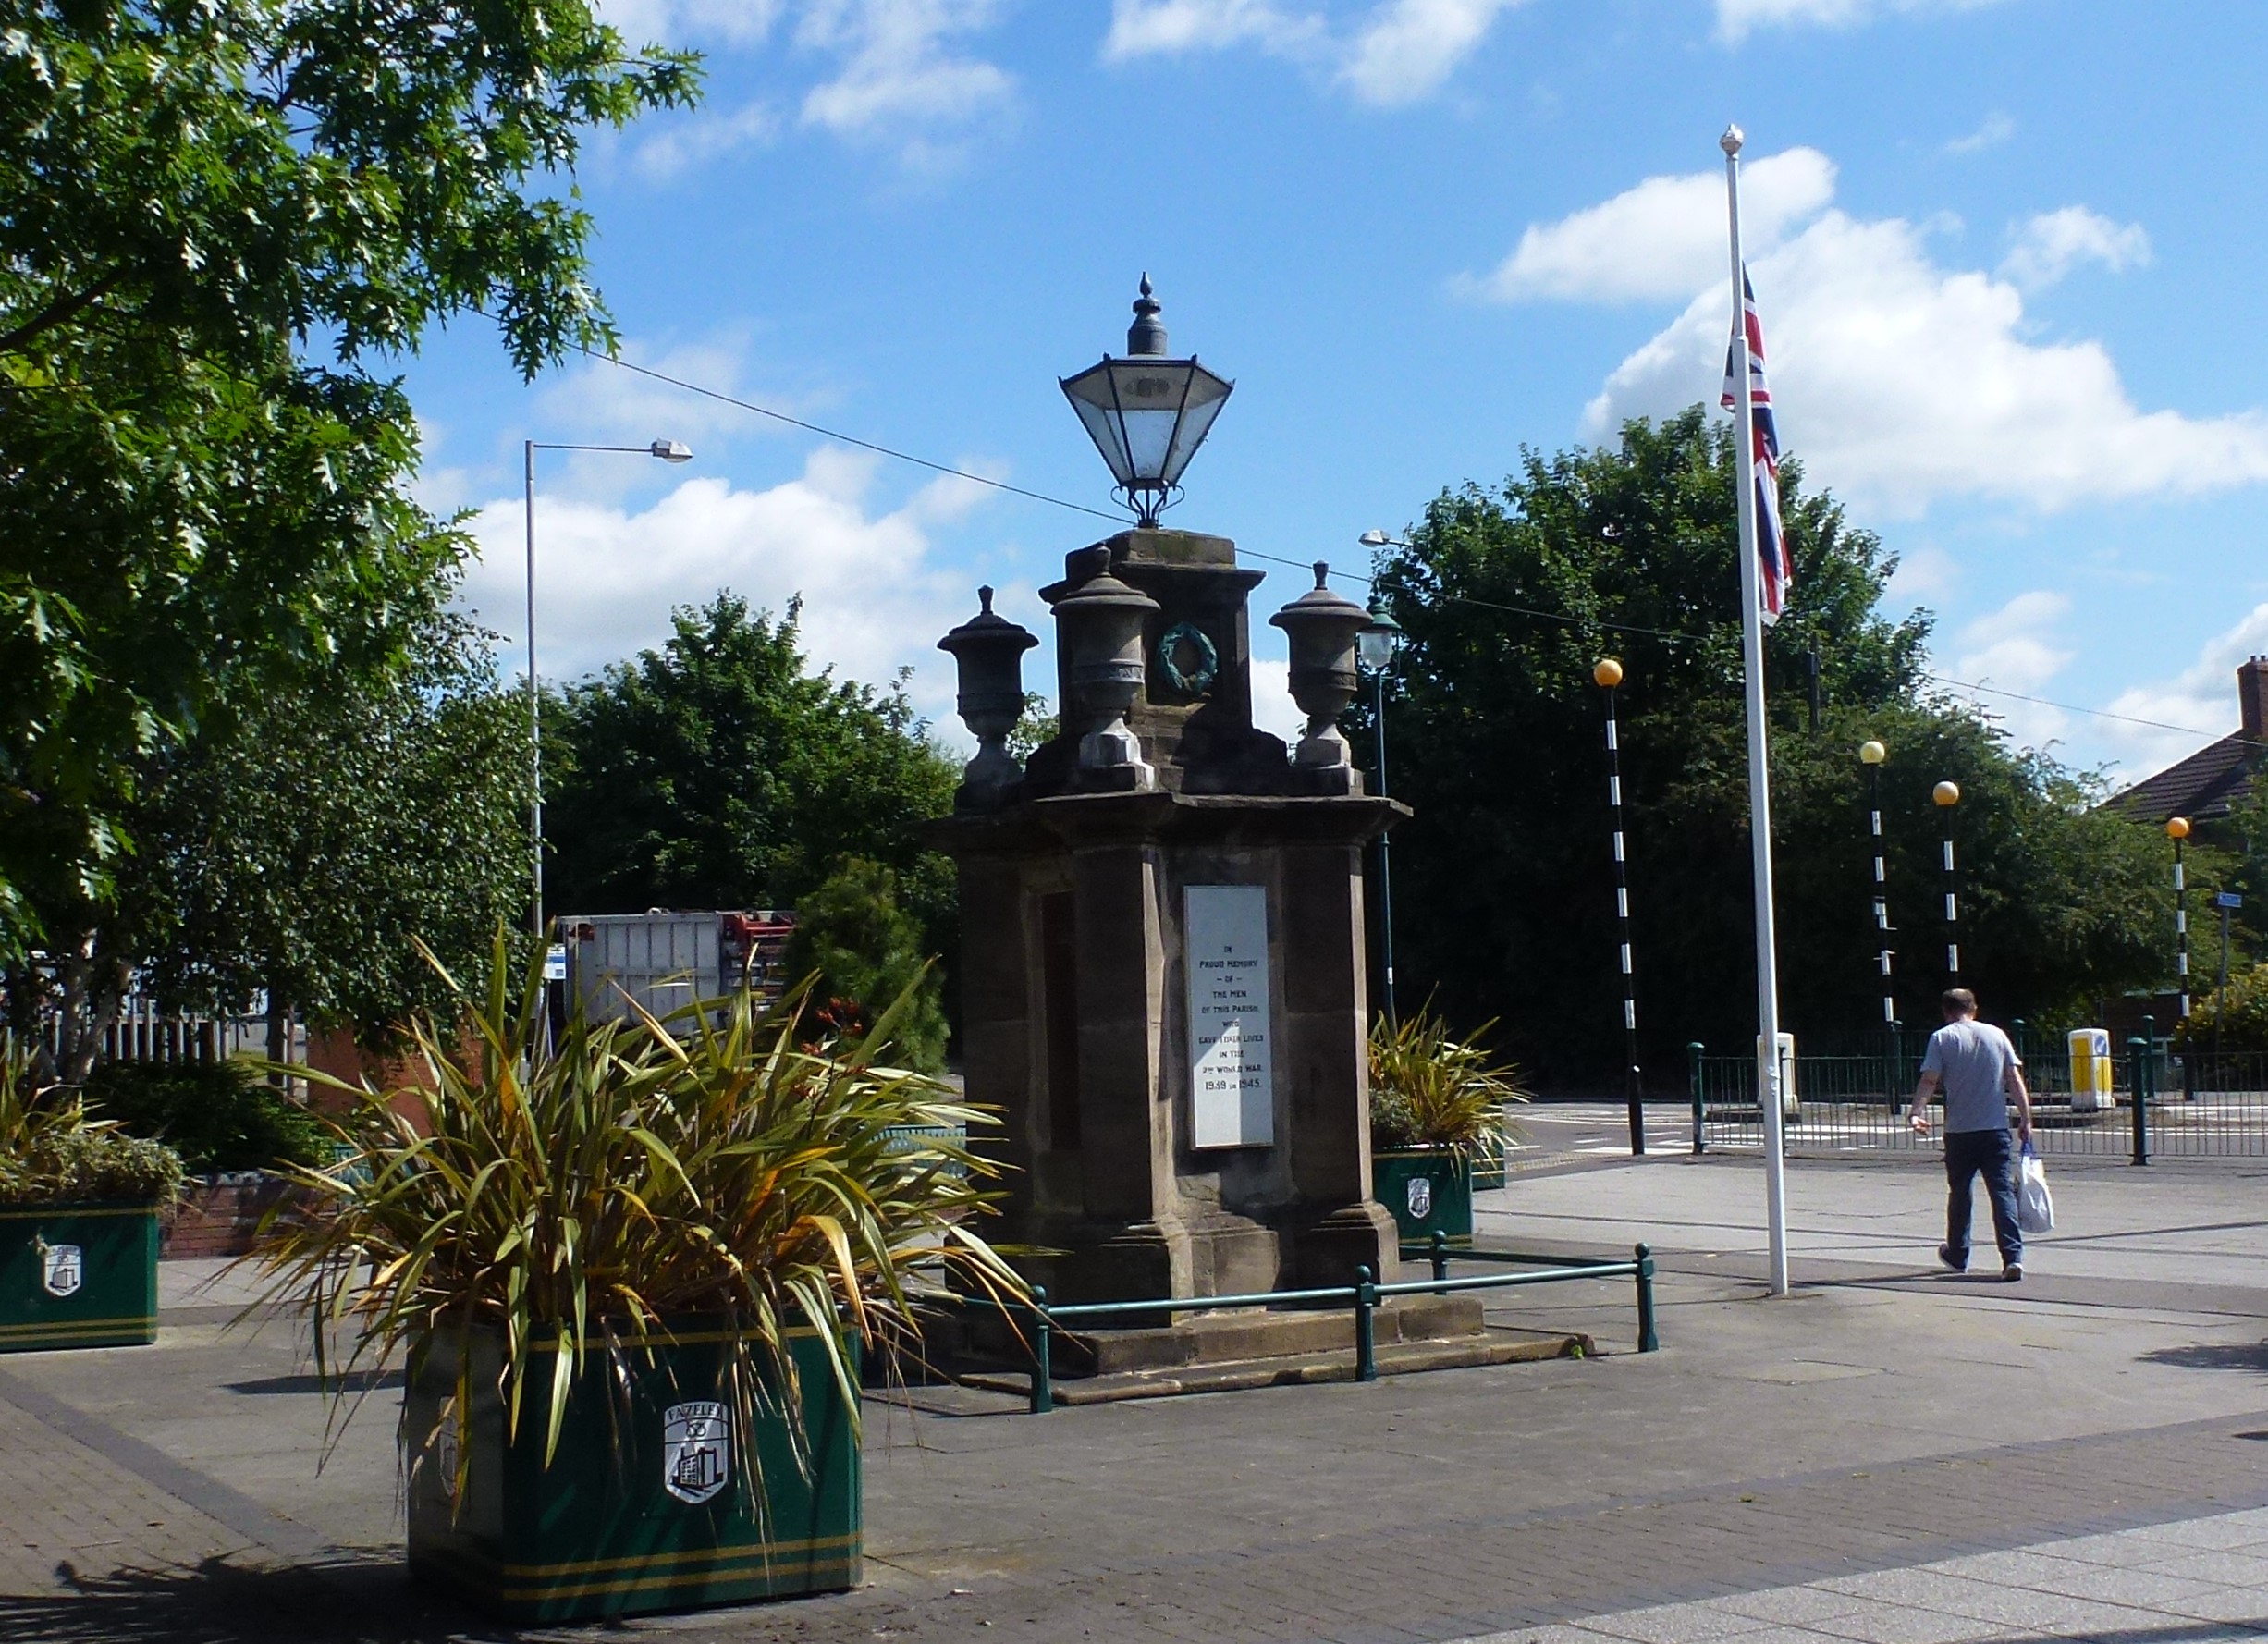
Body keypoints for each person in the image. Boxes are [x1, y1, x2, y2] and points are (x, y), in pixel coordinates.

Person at [1908, 988, 2033, 1281]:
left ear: (1946, 1011)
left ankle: (1958, 1254)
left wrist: (1916, 1112)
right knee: (2002, 1192)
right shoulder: (1997, 1035)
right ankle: (2012, 1257)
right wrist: (2026, 1118)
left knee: (1961, 1193)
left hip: (1959, 1131)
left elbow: (1930, 1080)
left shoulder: (1942, 1038)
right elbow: (2013, 1079)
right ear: (1974, 1008)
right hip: (1995, 1128)